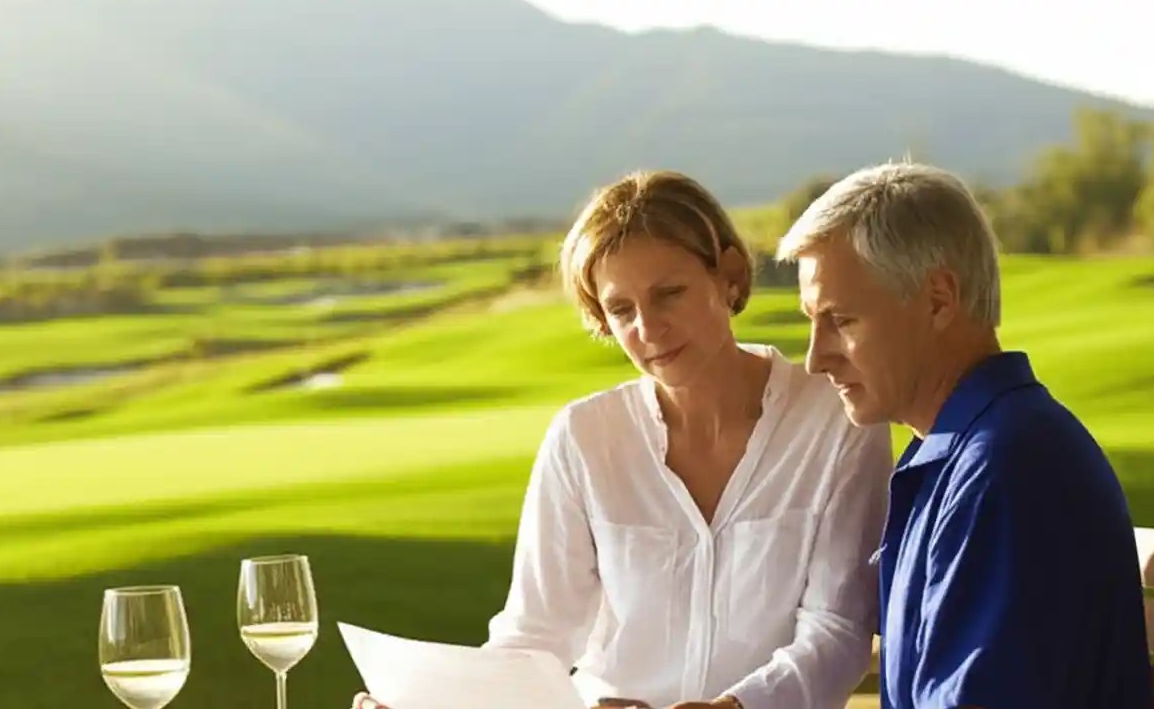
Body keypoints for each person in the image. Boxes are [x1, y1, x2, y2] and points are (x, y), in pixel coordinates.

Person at [352, 169, 892, 709]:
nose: (648, 329)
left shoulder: (836, 421)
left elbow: (838, 628)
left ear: (728, 275)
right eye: (621, 310)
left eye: (669, 294)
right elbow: (535, 636)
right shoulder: (584, 437)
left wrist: (735, 708)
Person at [776, 161, 1153, 709]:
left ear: (939, 300)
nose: (815, 359)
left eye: (842, 320)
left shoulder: (1008, 469)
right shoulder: (972, 453)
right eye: (813, 320)